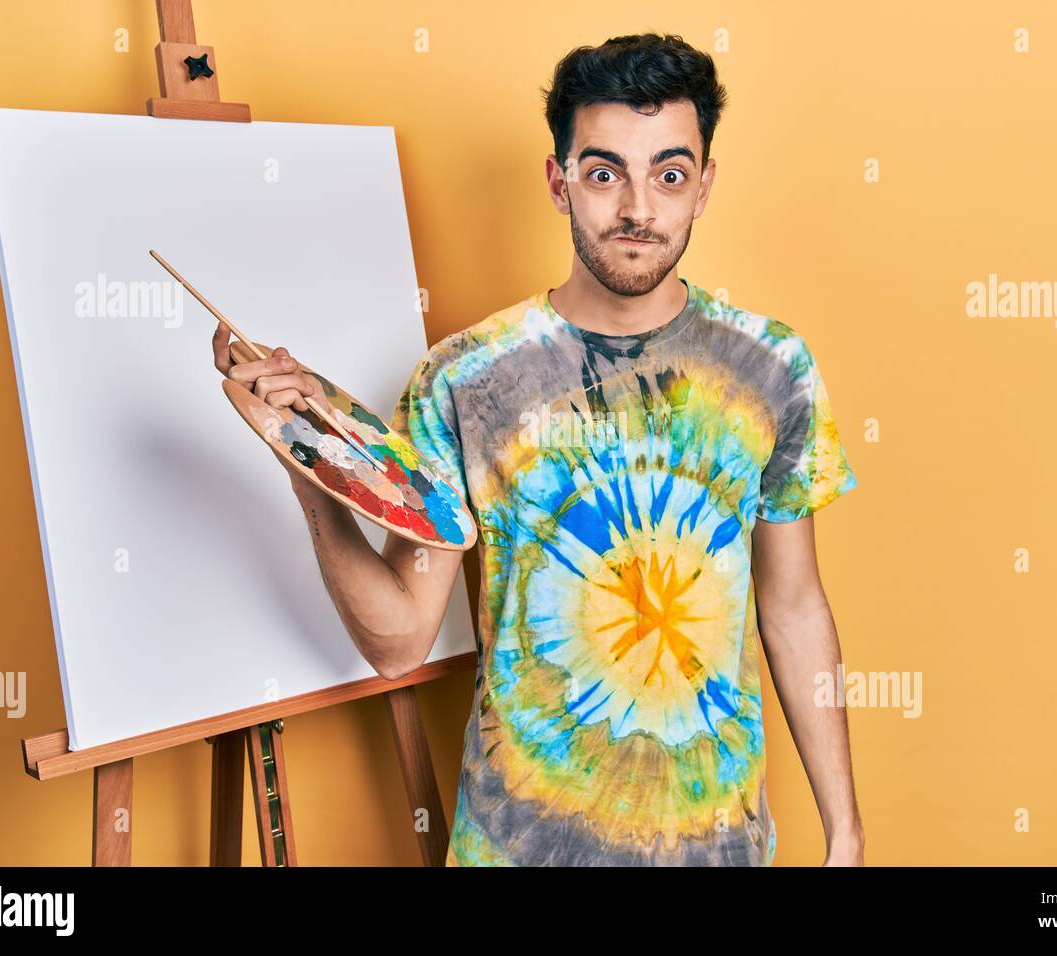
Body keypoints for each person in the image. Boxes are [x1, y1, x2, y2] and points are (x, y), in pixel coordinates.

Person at [212, 32, 864, 867]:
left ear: (703, 185)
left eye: (668, 174)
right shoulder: (465, 379)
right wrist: (306, 461)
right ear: (559, 182)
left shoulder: (770, 368)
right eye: (604, 173)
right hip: (517, 849)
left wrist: (845, 830)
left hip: (719, 849)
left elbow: (796, 605)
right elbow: (399, 639)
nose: (637, 208)